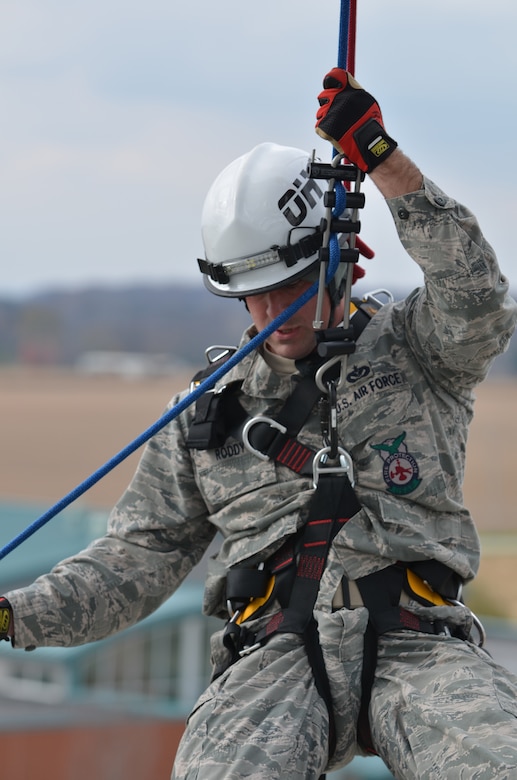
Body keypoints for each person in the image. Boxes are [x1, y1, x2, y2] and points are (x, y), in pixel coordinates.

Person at [1, 68, 517, 780]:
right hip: (271, 658)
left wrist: (382, 159)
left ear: (337, 256)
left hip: (420, 645)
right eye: (250, 292)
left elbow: (477, 300)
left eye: (290, 283)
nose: (271, 310)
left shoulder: (417, 348)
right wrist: (11, 615)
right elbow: (132, 563)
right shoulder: (207, 412)